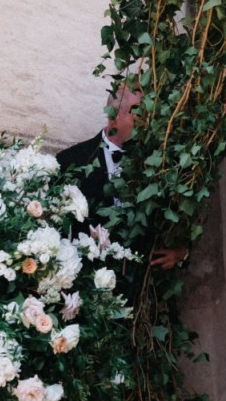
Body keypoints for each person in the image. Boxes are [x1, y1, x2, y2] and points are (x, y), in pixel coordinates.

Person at [58, 81, 186, 269]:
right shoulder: (70, 161)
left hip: (141, 282)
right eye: (137, 112)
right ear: (113, 118)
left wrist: (181, 253)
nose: (145, 120)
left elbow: (178, 222)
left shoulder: (160, 163)